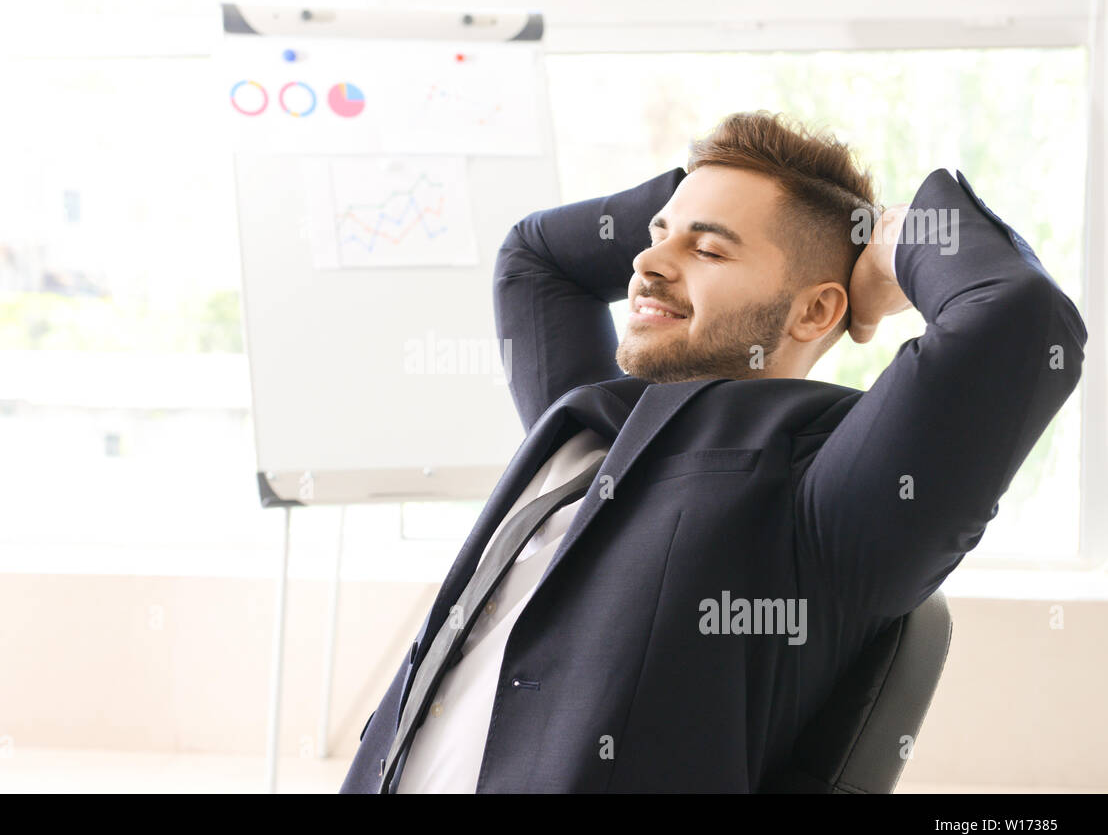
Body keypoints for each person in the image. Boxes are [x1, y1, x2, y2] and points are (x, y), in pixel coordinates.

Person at [341, 110, 1088, 793]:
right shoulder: (593, 423)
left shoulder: (817, 491)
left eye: (707, 249)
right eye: (653, 237)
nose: (648, 264)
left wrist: (887, 236)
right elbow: (536, 258)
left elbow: (1016, 320)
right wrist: (700, 195)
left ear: (819, 308)